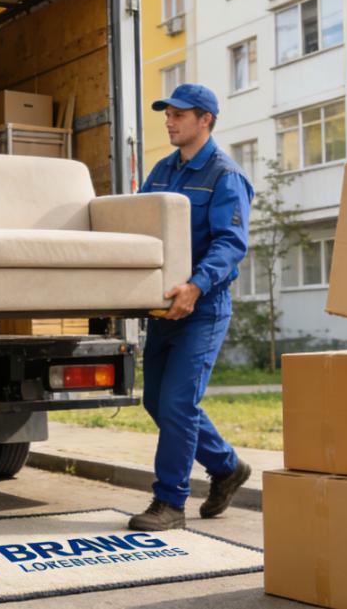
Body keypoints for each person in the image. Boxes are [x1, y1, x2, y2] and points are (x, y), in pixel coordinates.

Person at [127, 84, 254, 532]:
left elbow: (230, 244)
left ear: (206, 120)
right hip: (166, 306)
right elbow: (140, 222)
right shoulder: (163, 170)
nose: (169, 121)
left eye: (179, 114)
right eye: (167, 114)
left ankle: (170, 502)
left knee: (179, 403)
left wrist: (196, 287)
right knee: (157, 401)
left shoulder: (225, 176)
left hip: (203, 307)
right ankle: (227, 467)